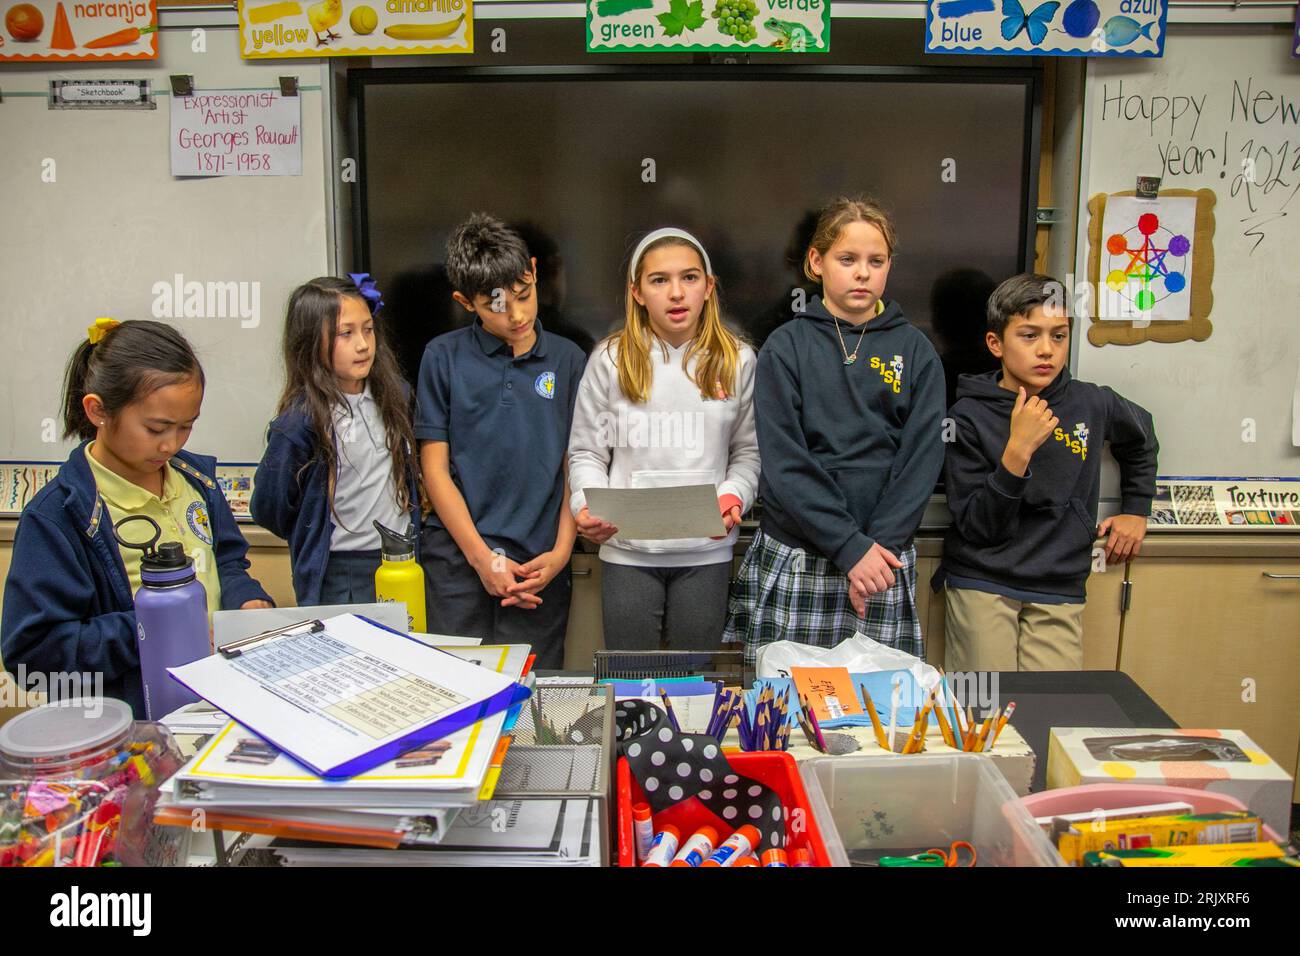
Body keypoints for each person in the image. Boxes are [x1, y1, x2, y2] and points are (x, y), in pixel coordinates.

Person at [1, 319, 273, 717]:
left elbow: (226, 563)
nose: (172, 444)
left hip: (216, 701)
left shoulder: (197, 482)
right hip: (132, 725)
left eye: (186, 427)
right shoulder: (59, 517)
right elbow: (33, 654)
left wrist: (245, 599)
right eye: (156, 428)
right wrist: (153, 629)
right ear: (98, 411)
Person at [725, 196, 946, 663]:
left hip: (881, 562)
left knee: (879, 713)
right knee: (786, 712)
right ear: (816, 262)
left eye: (876, 261)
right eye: (847, 259)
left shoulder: (916, 350)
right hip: (801, 555)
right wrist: (849, 547)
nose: (862, 272)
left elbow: (920, 462)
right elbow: (786, 463)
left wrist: (874, 552)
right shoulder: (786, 347)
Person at [936, 272, 1158, 671]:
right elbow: (979, 527)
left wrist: (1136, 509)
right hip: (983, 581)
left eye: (1058, 336)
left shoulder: (1092, 403)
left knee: (1050, 711)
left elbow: (1141, 439)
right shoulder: (966, 417)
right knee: (983, 713)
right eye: (1029, 335)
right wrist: (1017, 451)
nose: (1046, 350)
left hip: (1058, 584)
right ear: (996, 344)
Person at [568, 228, 759, 650]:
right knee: (631, 681)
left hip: (705, 555)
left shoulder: (738, 360)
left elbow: (747, 453)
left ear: (708, 288)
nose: (676, 293)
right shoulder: (610, 360)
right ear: (636, 291)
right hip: (628, 552)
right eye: (659, 280)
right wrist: (585, 505)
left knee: (694, 683)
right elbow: (586, 452)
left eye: (689, 278)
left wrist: (734, 496)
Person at [415, 214, 587, 666]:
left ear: (532, 271)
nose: (516, 314)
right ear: (465, 301)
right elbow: (434, 468)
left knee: (535, 701)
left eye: (523, 295)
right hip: (458, 561)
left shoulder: (569, 360)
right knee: (456, 694)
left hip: (539, 566)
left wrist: (562, 553)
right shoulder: (442, 357)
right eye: (495, 305)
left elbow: (576, 465)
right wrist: (481, 559)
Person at [251, 275, 422, 607]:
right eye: (346, 333)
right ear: (311, 341)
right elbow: (268, 507)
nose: (362, 344)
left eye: (368, 329)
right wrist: (310, 529)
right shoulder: (301, 422)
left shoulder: (396, 396)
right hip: (340, 569)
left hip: (401, 558)